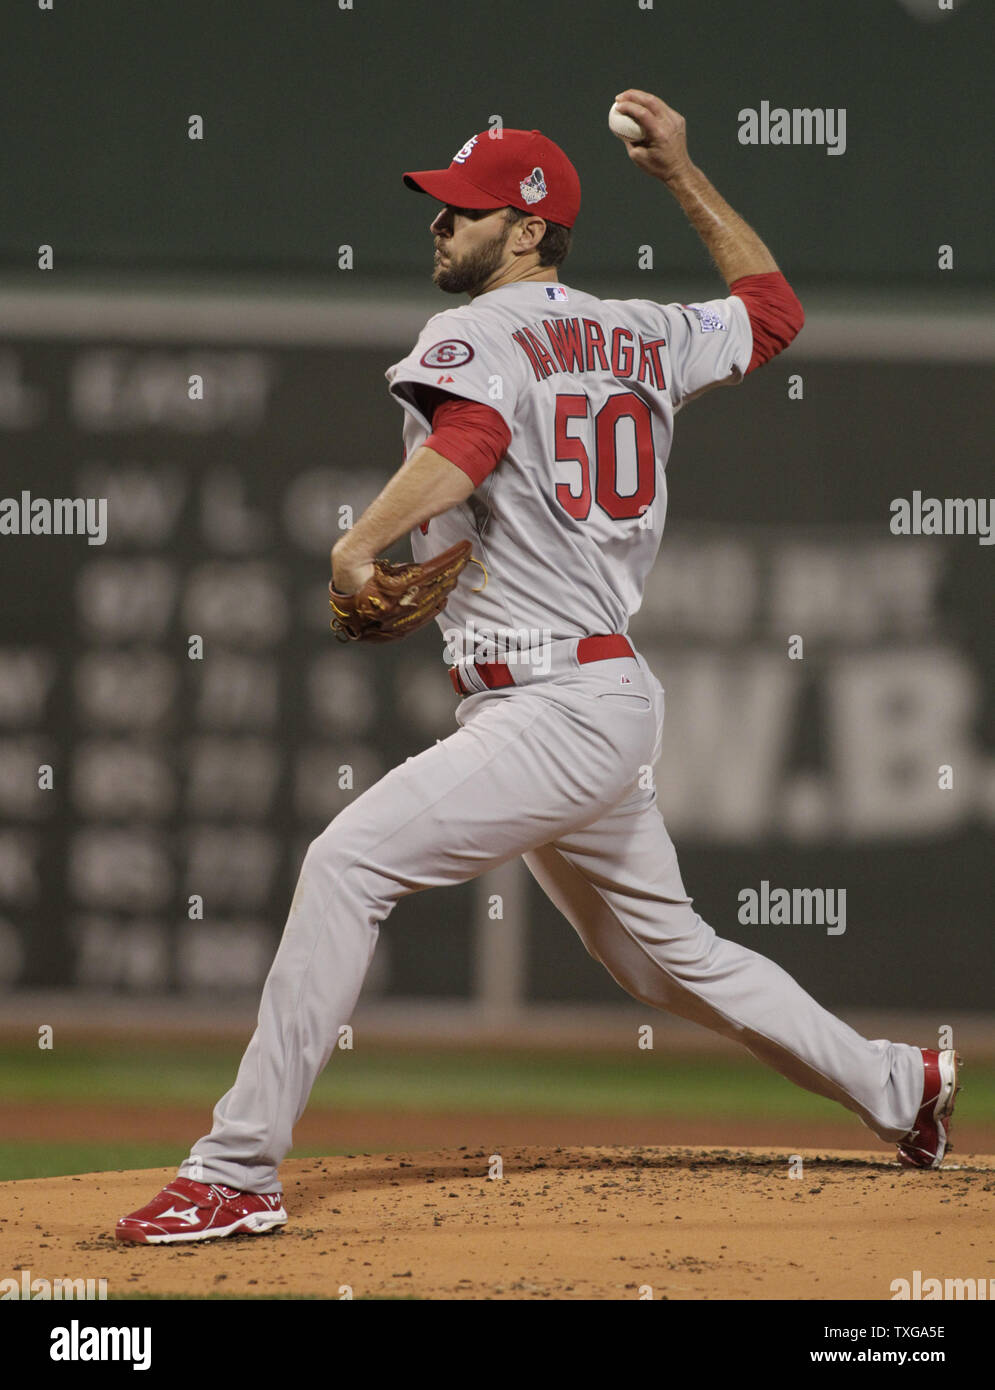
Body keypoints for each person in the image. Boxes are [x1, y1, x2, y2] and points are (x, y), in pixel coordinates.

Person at [116, 90, 957, 1245]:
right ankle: (899, 1087)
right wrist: (680, 173)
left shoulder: (481, 334)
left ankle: (237, 1168)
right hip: (592, 693)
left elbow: (469, 442)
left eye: (461, 210)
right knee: (667, 962)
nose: (437, 225)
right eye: (438, 206)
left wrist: (359, 542)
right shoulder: (646, 329)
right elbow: (769, 312)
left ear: (525, 228)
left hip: (554, 707)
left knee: (345, 861)